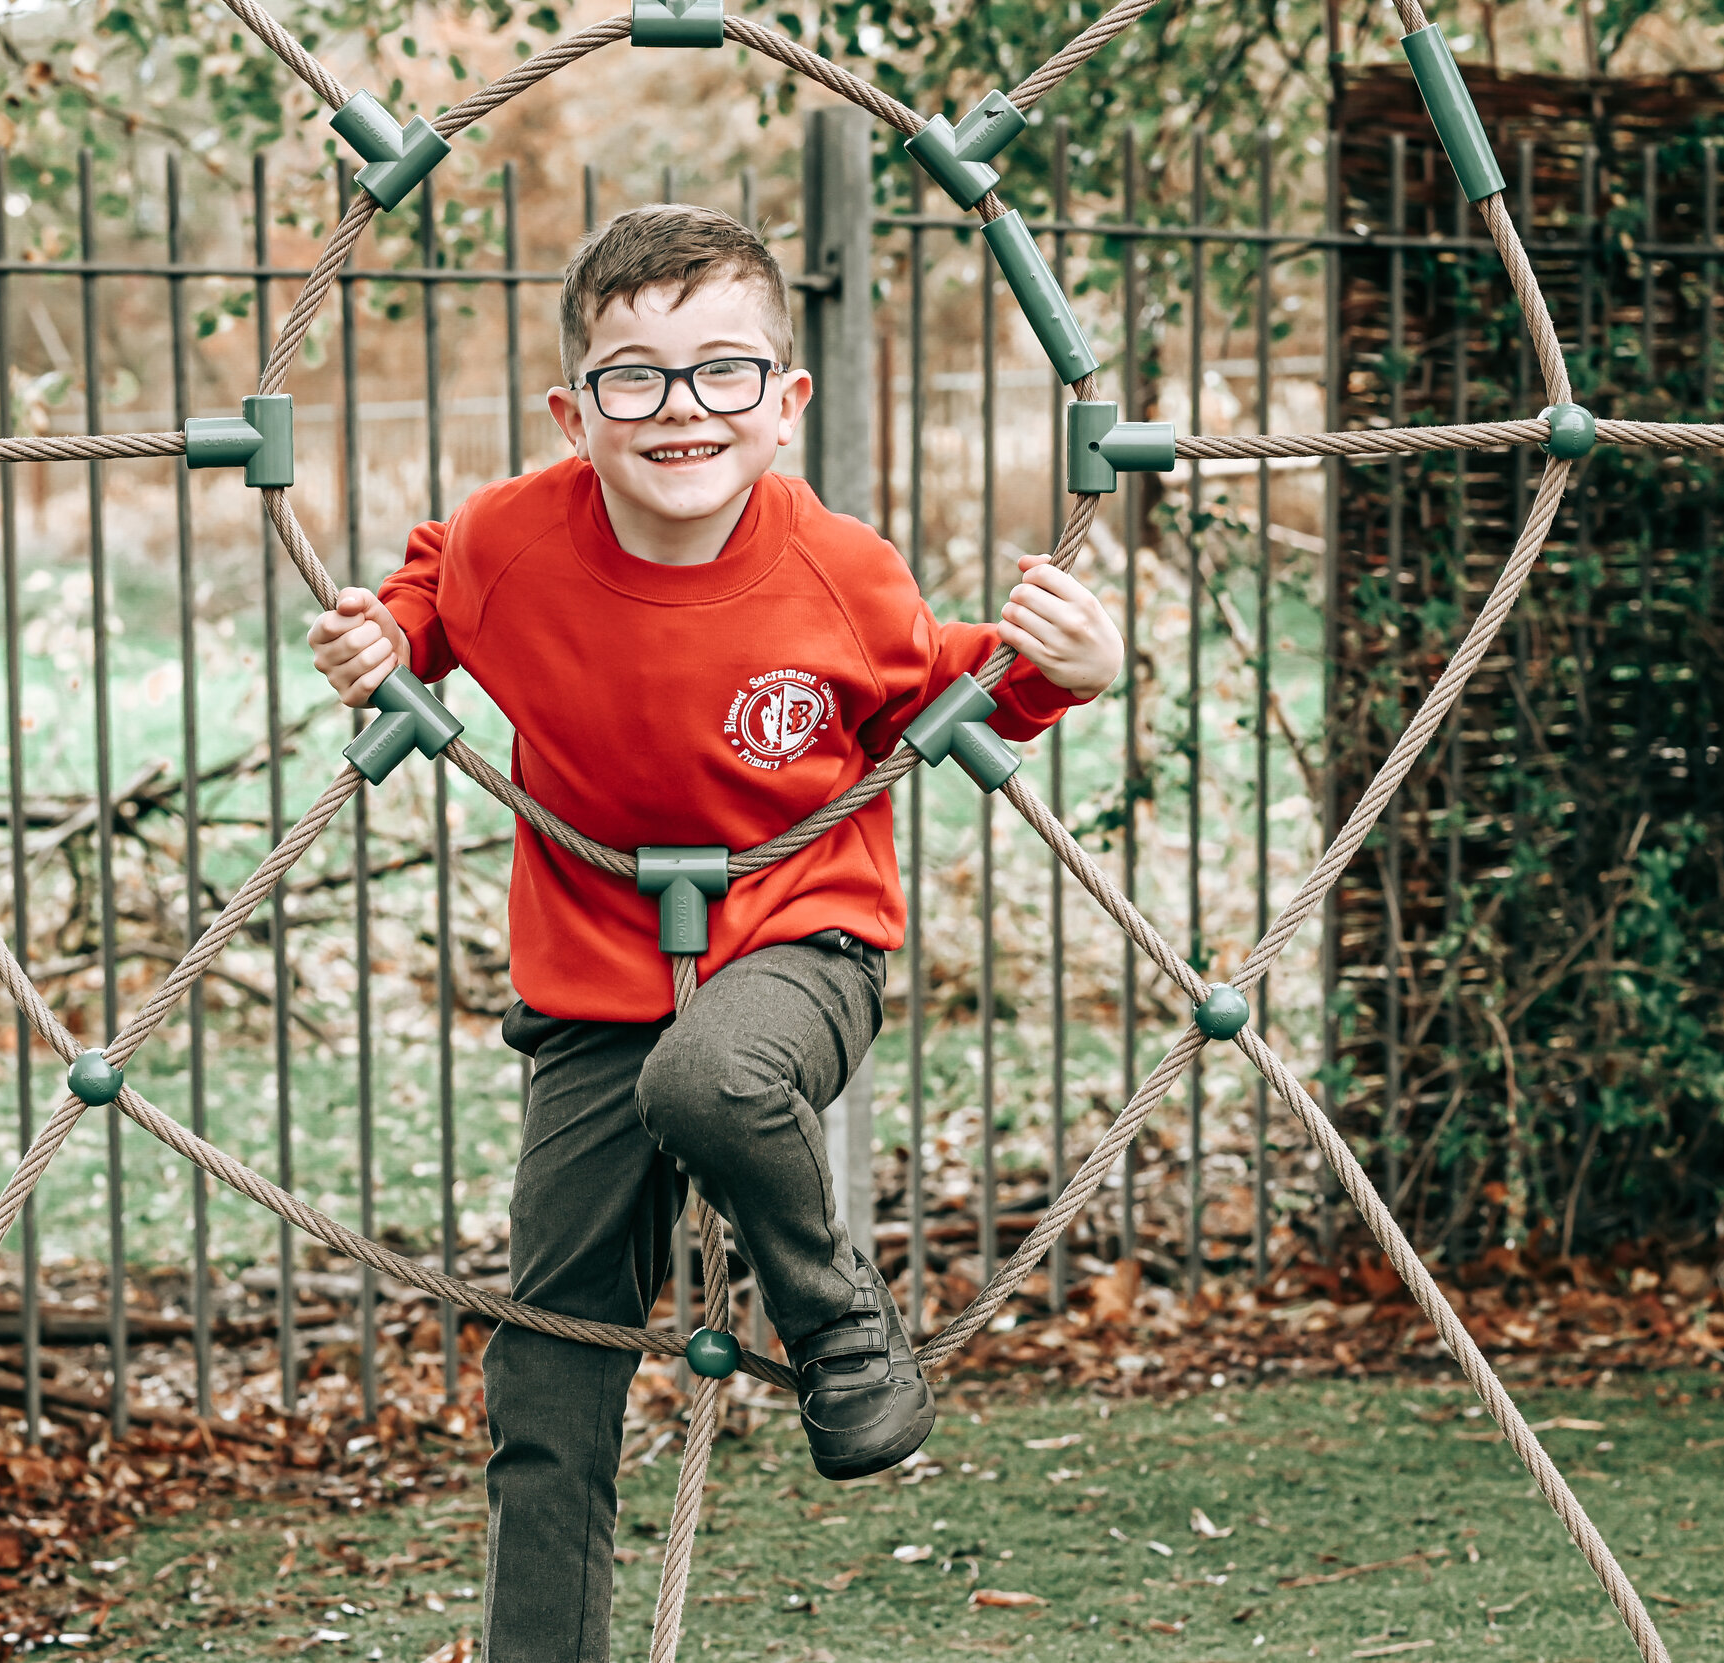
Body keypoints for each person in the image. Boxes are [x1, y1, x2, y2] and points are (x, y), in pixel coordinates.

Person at [308, 203, 1123, 1662]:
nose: (681, 410)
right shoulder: (515, 540)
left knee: (709, 1078)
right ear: (574, 410)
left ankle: (837, 1325)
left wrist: (1069, 673)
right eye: (635, 377)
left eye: (725, 371)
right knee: (547, 1374)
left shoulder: (843, 569)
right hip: (590, 997)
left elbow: (953, 688)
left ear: (786, 401)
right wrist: (389, 640)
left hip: (800, 949)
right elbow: (429, 586)